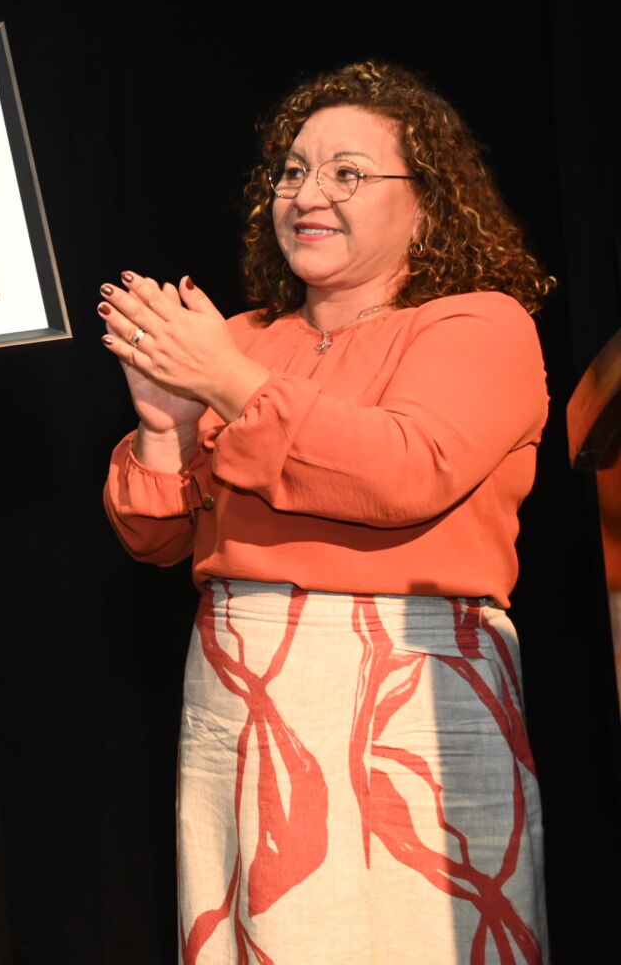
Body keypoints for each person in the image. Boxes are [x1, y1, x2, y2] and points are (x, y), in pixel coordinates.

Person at [98, 61, 553, 963]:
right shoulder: (243, 338)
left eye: (348, 172)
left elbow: (402, 474)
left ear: (430, 200)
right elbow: (154, 537)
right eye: (292, 170)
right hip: (243, 687)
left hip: (412, 689)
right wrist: (162, 426)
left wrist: (225, 384)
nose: (307, 193)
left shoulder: (478, 324)